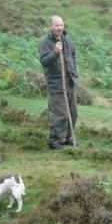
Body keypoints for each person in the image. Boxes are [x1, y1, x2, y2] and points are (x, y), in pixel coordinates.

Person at [39, 15, 78, 150]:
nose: (59, 28)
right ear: (51, 26)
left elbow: (73, 55)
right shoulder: (45, 42)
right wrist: (55, 52)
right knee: (59, 113)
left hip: (69, 81)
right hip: (56, 83)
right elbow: (44, 61)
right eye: (56, 25)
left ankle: (67, 137)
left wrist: (74, 71)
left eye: (61, 25)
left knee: (72, 112)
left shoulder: (67, 39)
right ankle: (55, 140)